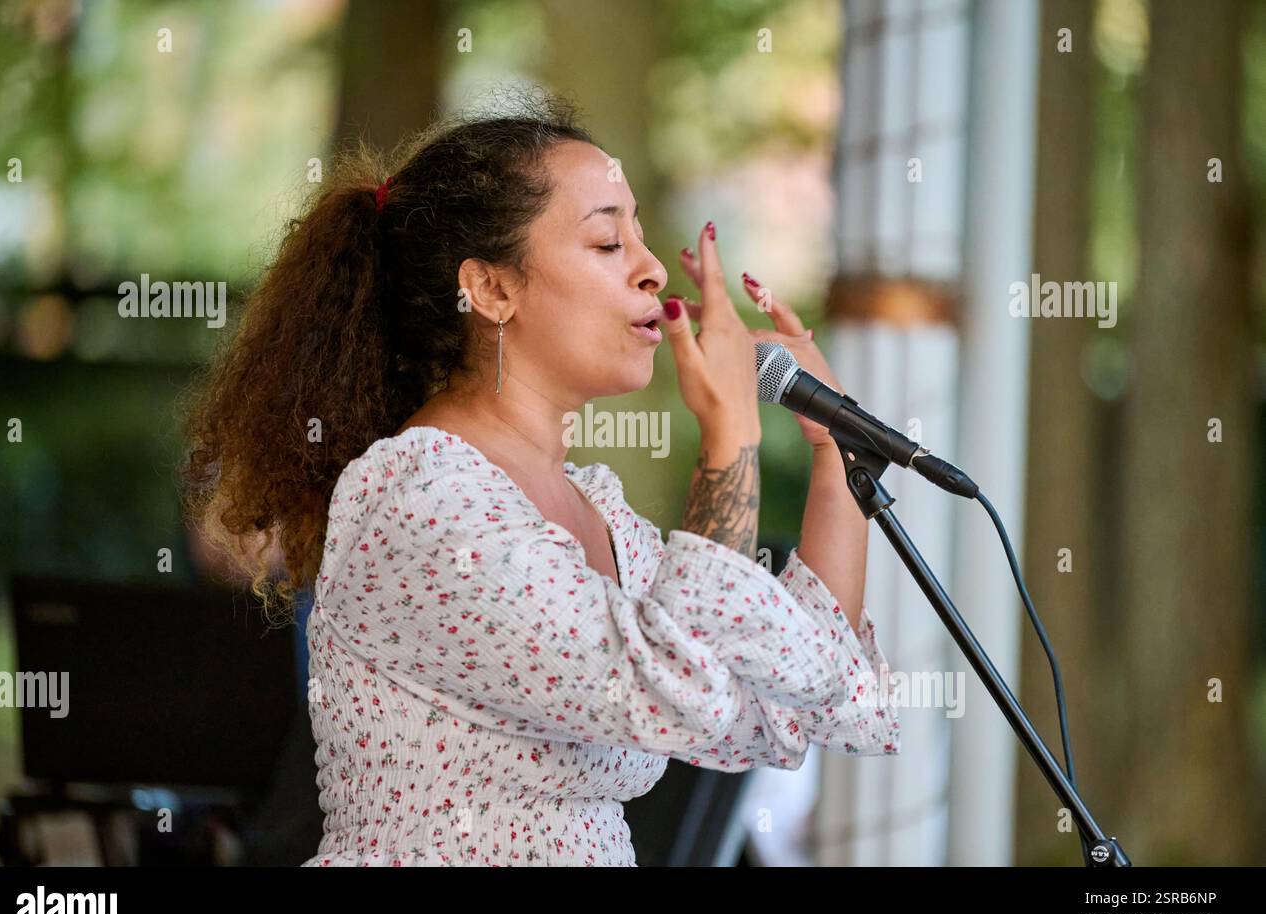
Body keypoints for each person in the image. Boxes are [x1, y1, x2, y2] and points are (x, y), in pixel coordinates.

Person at [178, 90, 899, 867]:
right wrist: (727, 435)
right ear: (491, 289)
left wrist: (833, 457)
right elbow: (673, 688)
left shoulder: (602, 514)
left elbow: (788, 703)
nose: (654, 270)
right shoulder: (420, 497)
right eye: (606, 244)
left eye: (643, 240)